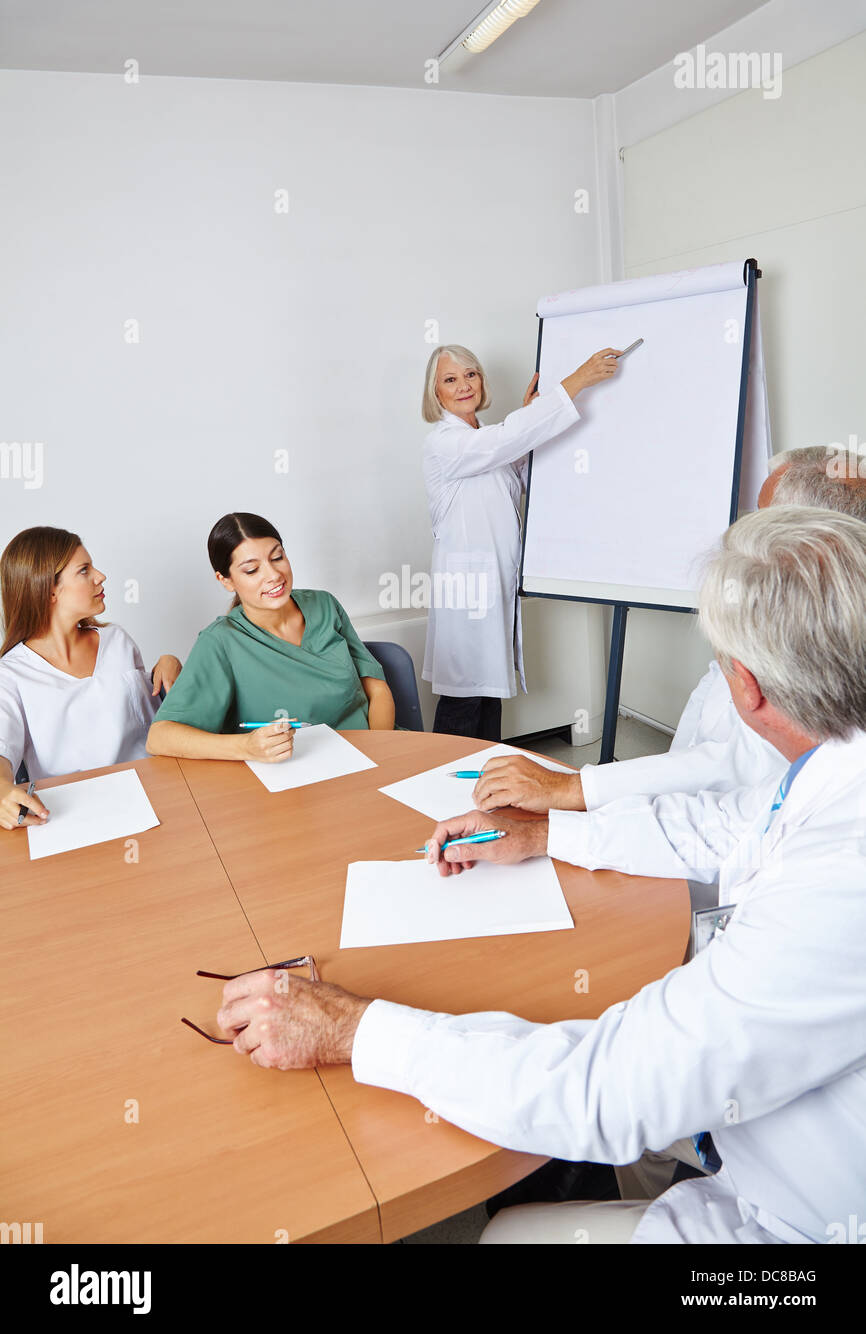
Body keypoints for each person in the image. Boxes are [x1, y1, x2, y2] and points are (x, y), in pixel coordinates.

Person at [214, 507, 866, 1244]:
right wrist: (545, 834)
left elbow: (612, 1088)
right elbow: (723, 823)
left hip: (803, 1223)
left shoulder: (838, 886)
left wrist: (352, 1029)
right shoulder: (838, 772)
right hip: (780, 1130)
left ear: (743, 686)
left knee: (507, 1234)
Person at [471, 446, 866, 877]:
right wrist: (547, 833)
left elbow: (732, 773)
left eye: (759, 519)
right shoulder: (787, 654)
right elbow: (724, 817)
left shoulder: (820, 724)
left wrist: (574, 791)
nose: (739, 533)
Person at [421, 343, 621, 741]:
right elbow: (506, 440)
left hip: (493, 587)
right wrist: (578, 379)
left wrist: (531, 421)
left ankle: (487, 785)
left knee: (489, 694)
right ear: (436, 394)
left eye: (471, 374)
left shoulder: (486, 439)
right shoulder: (445, 442)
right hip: (467, 592)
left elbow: (518, 463)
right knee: (464, 698)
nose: (463, 385)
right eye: (450, 379)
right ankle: (443, 790)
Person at [147, 512, 394, 763]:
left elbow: (376, 688)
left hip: (371, 754)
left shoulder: (325, 605)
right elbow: (160, 737)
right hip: (298, 778)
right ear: (226, 580)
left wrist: (376, 754)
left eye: (277, 557)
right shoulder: (221, 642)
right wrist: (246, 746)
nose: (274, 574)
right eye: (252, 570)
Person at [0, 527, 181, 832]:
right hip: (73, 818)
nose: (100, 576)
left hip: (157, 795)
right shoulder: (12, 674)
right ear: (49, 590)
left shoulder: (117, 641)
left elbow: (147, 715)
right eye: (84, 571)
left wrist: (167, 665)